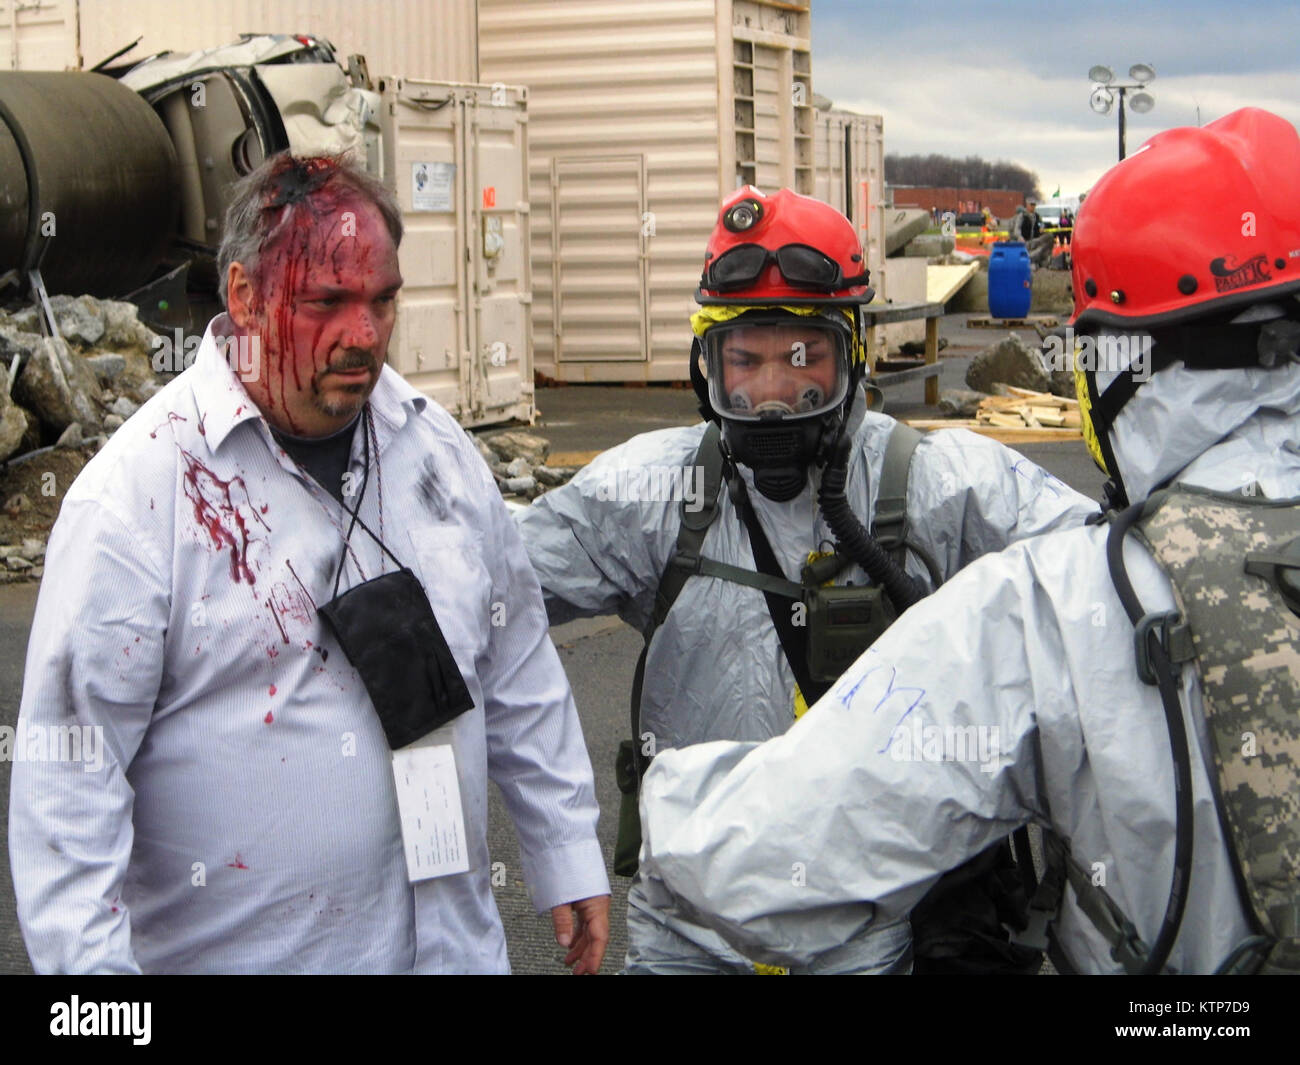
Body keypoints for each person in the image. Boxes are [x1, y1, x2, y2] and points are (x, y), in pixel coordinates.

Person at [638, 107, 1300, 975]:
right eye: (745, 357)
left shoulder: (1058, 605)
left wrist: (657, 798)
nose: (772, 390)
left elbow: (762, 857)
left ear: (1109, 365)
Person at [8, 152, 611, 974]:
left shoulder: (437, 454)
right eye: (327, 301)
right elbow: (69, 790)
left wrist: (564, 848)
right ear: (244, 297)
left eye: (383, 299)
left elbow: (517, 668)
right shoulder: (138, 499)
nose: (364, 335)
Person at [515, 185, 1097, 973]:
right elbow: (484, 594)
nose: (773, 391)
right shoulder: (654, 494)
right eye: (743, 361)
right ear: (708, 365)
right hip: (690, 935)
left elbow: (1110, 588)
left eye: (803, 358)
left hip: (870, 937)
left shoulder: (941, 485)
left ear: (852, 349)